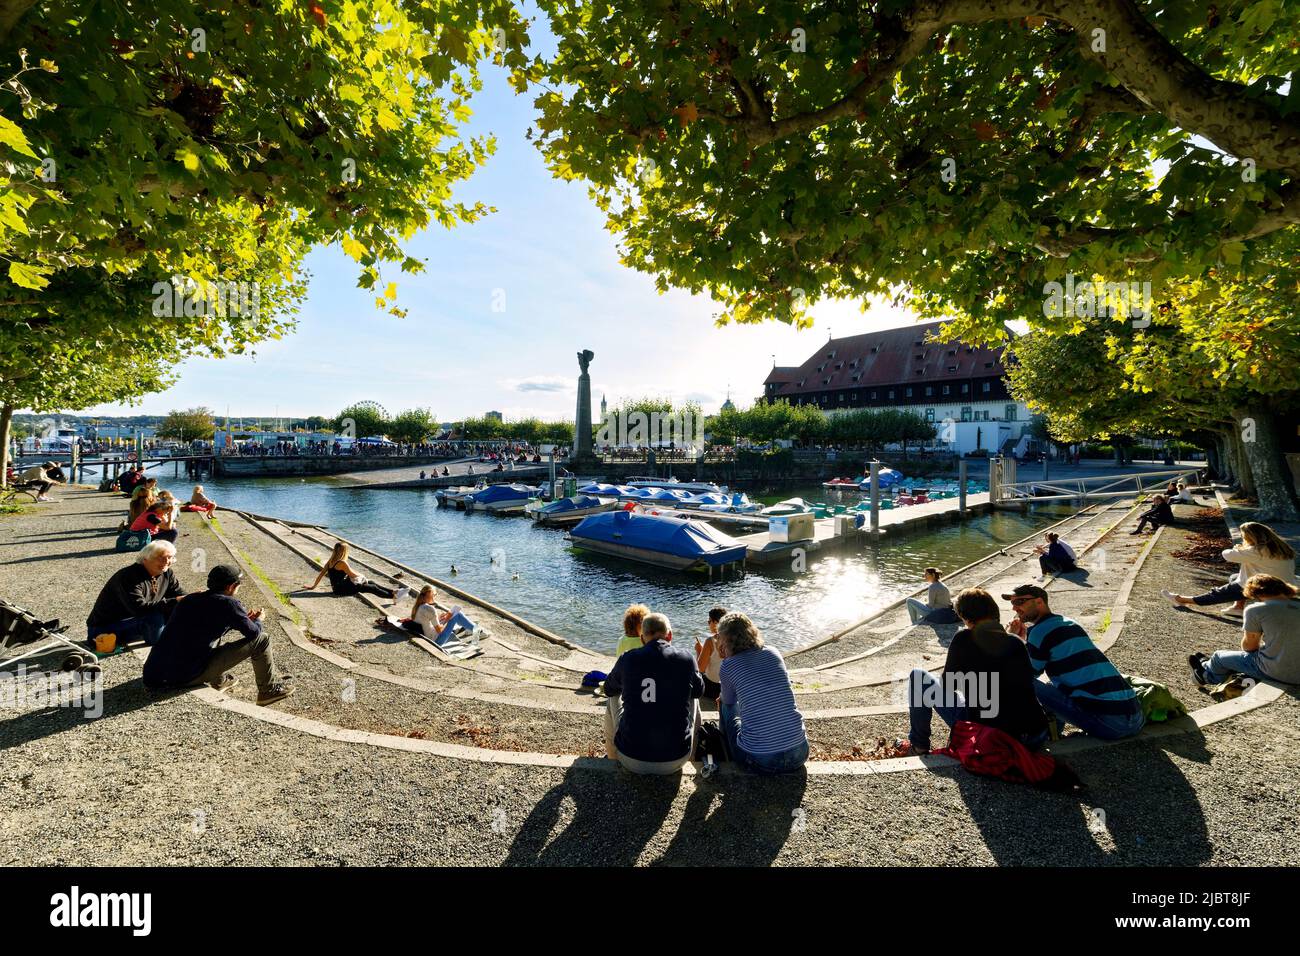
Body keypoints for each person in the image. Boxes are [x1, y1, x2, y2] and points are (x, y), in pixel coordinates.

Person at [895, 588, 1048, 755]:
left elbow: (948, 686)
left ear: (965, 617)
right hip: (1033, 736)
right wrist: (1015, 638)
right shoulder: (1016, 642)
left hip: (993, 737)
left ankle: (919, 744)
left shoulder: (964, 639)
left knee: (918, 677)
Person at [1004, 584, 1144, 740]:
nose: (1014, 608)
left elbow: (1028, 673)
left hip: (1111, 725)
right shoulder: (1069, 623)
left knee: (1020, 679)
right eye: (1012, 604)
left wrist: (1012, 639)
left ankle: (1037, 734)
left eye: (1020, 602)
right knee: (1052, 685)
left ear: (1039, 602)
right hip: (1136, 719)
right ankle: (1053, 731)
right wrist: (1026, 642)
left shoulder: (1039, 632)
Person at [142, 564, 292, 705]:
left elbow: (207, 625)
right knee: (262, 639)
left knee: (205, 635)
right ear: (231, 587)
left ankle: (220, 680)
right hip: (182, 678)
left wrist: (241, 619)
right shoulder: (229, 604)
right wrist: (258, 620)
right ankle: (269, 691)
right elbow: (253, 633)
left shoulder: (190, 599)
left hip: (153, 674)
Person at [603, 612, 703, 774]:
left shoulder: (627, 658)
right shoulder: (686, 658)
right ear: (669, 635)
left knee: (613, 694)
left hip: (630, 757)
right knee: (694, 697)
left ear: (642, 638)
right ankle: (692, 759)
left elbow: (608, 689)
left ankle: (612, 757)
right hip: (676, 758)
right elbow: (700, 691)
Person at [716, 612, 808, 773]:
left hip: (760, 760)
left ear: (725, 639)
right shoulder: (773, 652)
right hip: (799, 752)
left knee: (725, 703)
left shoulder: (728, 666)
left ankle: (725, 751)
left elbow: (729, 701)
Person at [1190, 575, 1300, 687]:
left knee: (1218, 657)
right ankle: (1209, 665)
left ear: (1254, 593)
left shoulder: (1256, 609)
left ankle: (1204, 675)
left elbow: (1249, 647)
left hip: (1274, 671)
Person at [1163, 521, 1296, 611]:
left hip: (1266, 587)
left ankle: (1180, 599)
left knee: (1217, 594)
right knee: (1234, 577)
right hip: (1286, 584)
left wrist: (1239, 548)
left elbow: (1227, 555)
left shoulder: (1255, 551)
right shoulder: (1280, 548)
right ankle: (1238, 607)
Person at [86, 541, 187, 647]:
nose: (167, 561)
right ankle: (159, 640)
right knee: (155, 616)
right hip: (104, 629)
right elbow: (139, 609)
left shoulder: (166, 573)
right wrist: (176, 601)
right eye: (161, 558)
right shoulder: (128, 577)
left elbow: (177, 592)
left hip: (134, 620)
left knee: (183, 606)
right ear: (145, 559)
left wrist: (193, 598)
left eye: (170, 557)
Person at [303, 542, 399, 600]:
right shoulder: (342, 562)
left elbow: (321, 574)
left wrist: (313, 586)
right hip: (342, 590)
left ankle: (393, 592)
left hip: (338, 587)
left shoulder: (331, 560)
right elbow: (352, 575)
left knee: (371, 582)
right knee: (372, 588)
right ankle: (395, 597)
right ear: (344, 551)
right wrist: (362, 575)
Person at [406, 585, 480, 645]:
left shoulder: (417, 606)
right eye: (434, 594)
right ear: (430, 594)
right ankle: (476, 630)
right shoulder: (430, 609)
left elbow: (425, 621)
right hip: (436, 640)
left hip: (427, 635)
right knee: (457, 614)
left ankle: (473, 629)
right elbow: (439, 631)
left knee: (453, 615)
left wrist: (439, 618)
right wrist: (447, 618)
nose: (435, 596)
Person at [693, 606, 727, 700]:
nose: (708, 624)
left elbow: (700, 668)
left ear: (716, 623)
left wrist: (699, 651)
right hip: (730, 685)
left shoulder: (710, 641)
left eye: (709, 621)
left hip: (713, 688)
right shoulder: (734, 639)